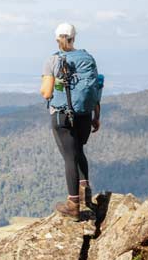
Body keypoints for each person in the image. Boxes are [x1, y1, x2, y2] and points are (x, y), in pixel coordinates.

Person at [40, 22, 102, 220]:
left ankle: (73, 205)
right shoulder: (87, 58)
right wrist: (96, 116)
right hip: (84, 114)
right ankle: (85, 192)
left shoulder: (53, 60)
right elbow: (95, 88)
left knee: (69, 157)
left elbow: (46, 92)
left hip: (62, 115)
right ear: (74, 37)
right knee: (78, 151)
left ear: (57, 39)